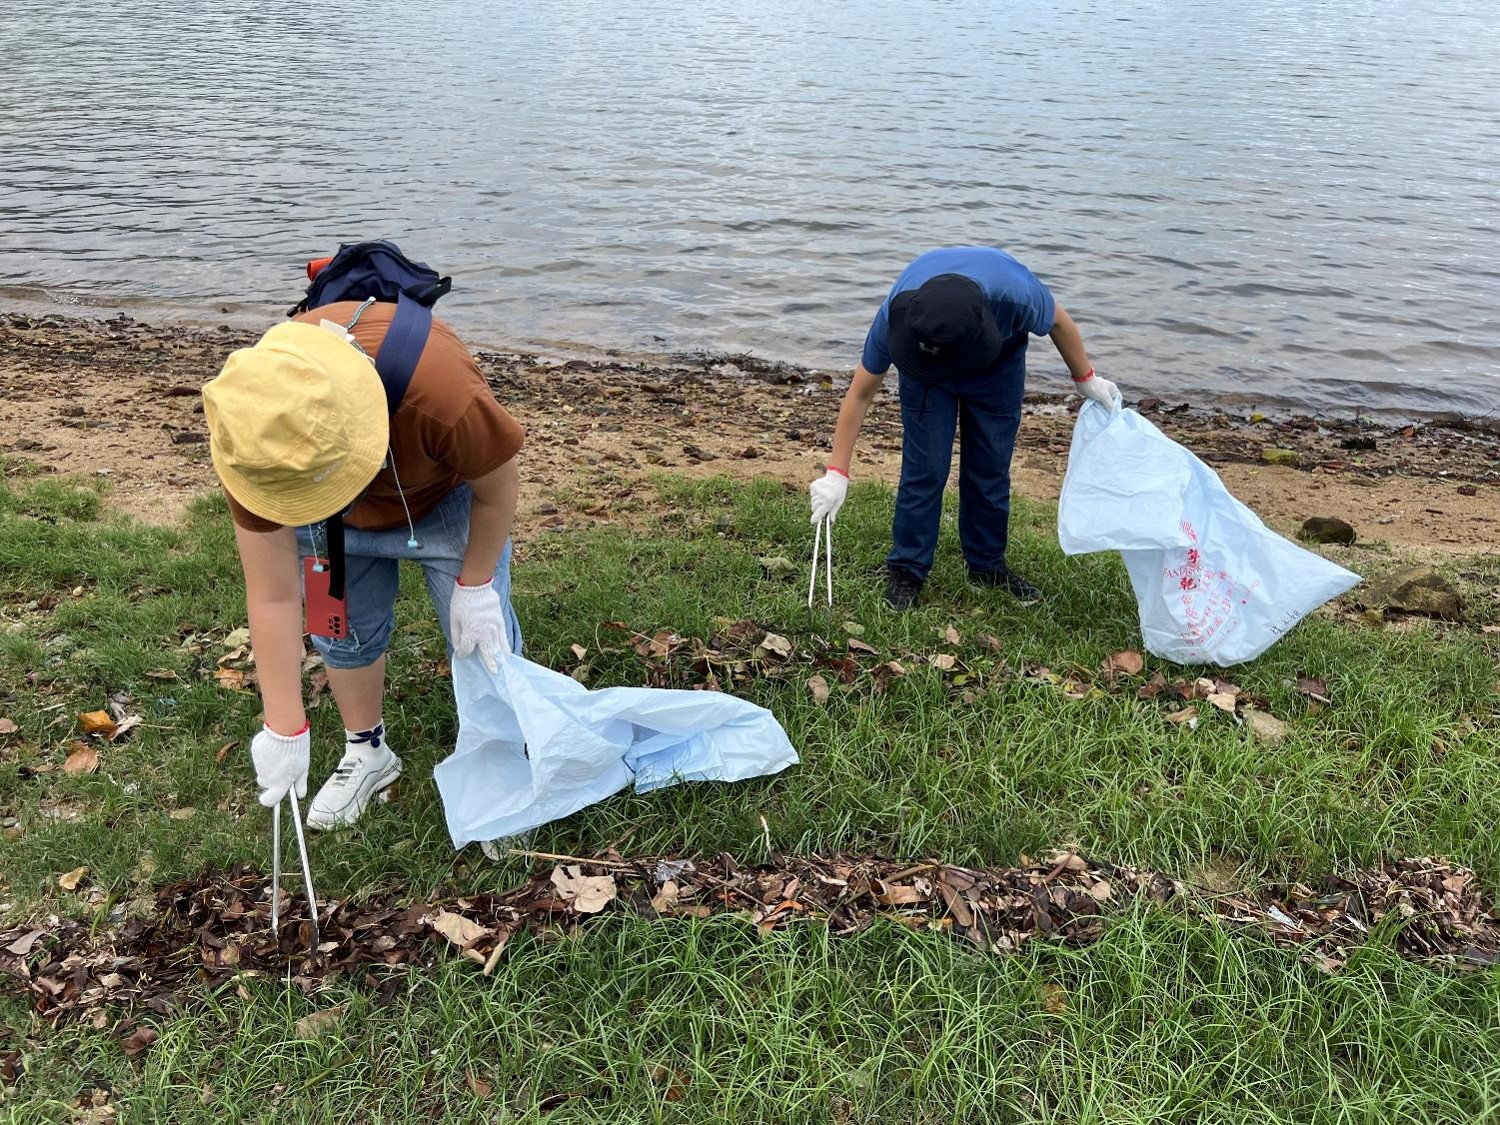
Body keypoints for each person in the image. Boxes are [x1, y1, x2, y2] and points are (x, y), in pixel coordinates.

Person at [202, 301, 524, 829]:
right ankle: (368, 752)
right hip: (328, 524)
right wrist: (284, 726)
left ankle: (501, 757)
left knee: (478, 637)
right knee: (341, 631)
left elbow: (499, 486)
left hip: (440, 504)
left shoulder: (440, 393)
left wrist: (476, 583)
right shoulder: (253, 439)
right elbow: (273, 595)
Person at [808, 247, 1121, 609]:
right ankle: (907, 569)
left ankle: (987, 566)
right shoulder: (900, 316)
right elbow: (860, 393)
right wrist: (837, 473)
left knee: (989, 467)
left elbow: (1059, 323)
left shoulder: (1013, 292)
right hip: (924, 367)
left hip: (996, 365)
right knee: (925, 470)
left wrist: (1086, 379)